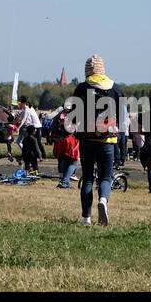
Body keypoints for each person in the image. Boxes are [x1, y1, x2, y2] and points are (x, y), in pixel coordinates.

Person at [70, 54, 123, 226]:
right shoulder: (116, 88)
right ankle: (103, 200)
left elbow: (73, 115)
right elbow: (121, 117)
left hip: (87, 140)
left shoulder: (82, 88)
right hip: (107, 140)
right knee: (105, 178)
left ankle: (86, 218)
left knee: (87, 178)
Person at [51, 105, 80, 188]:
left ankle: (66, 182)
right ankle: (64, 181)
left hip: (60, 141)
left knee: (66, 162)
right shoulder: (75, 116)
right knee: (74, 162)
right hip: (71, 140)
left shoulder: (62, 115)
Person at [16, 97, 43, 172]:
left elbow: (24, 120)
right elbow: (21, 118)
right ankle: (25, 155)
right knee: (21, 142)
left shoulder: (27, 110)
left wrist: (18, 127)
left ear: (23, 103)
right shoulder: (24, 109)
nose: (19, 104)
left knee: (23, 142)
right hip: (24, 127)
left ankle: (25, 154)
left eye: (20, 102)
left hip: (26, 127)